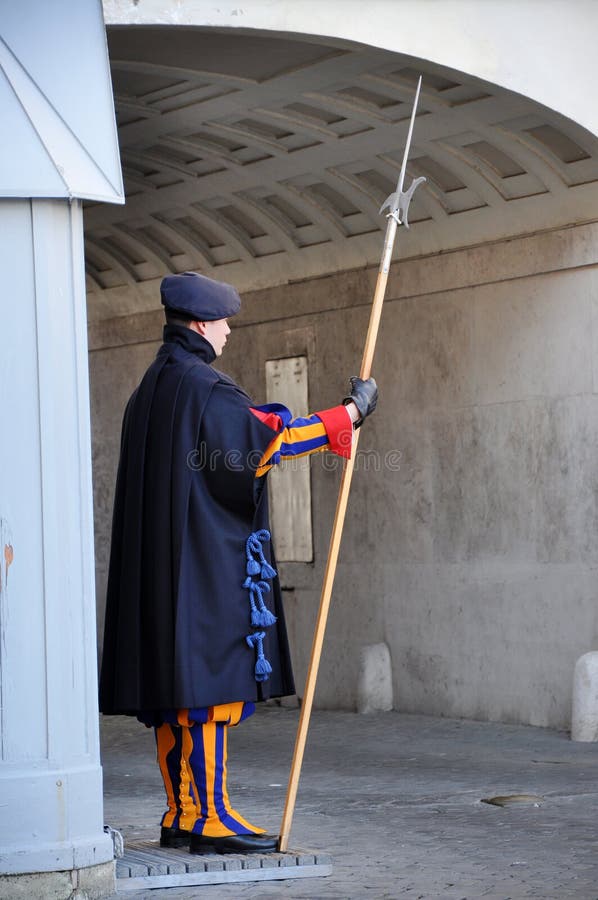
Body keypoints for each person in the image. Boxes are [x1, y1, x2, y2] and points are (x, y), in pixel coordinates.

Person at [99, 271, 377, 854]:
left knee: (174, 689)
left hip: (160, 572)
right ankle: (209, 818)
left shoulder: (149, 388)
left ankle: (180, 810)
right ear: (200, 323)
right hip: (202, 567)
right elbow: (264, 443)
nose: (227, 332)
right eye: (223, 322)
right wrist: (346, 416)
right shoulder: (206, 388)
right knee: (207, 688)